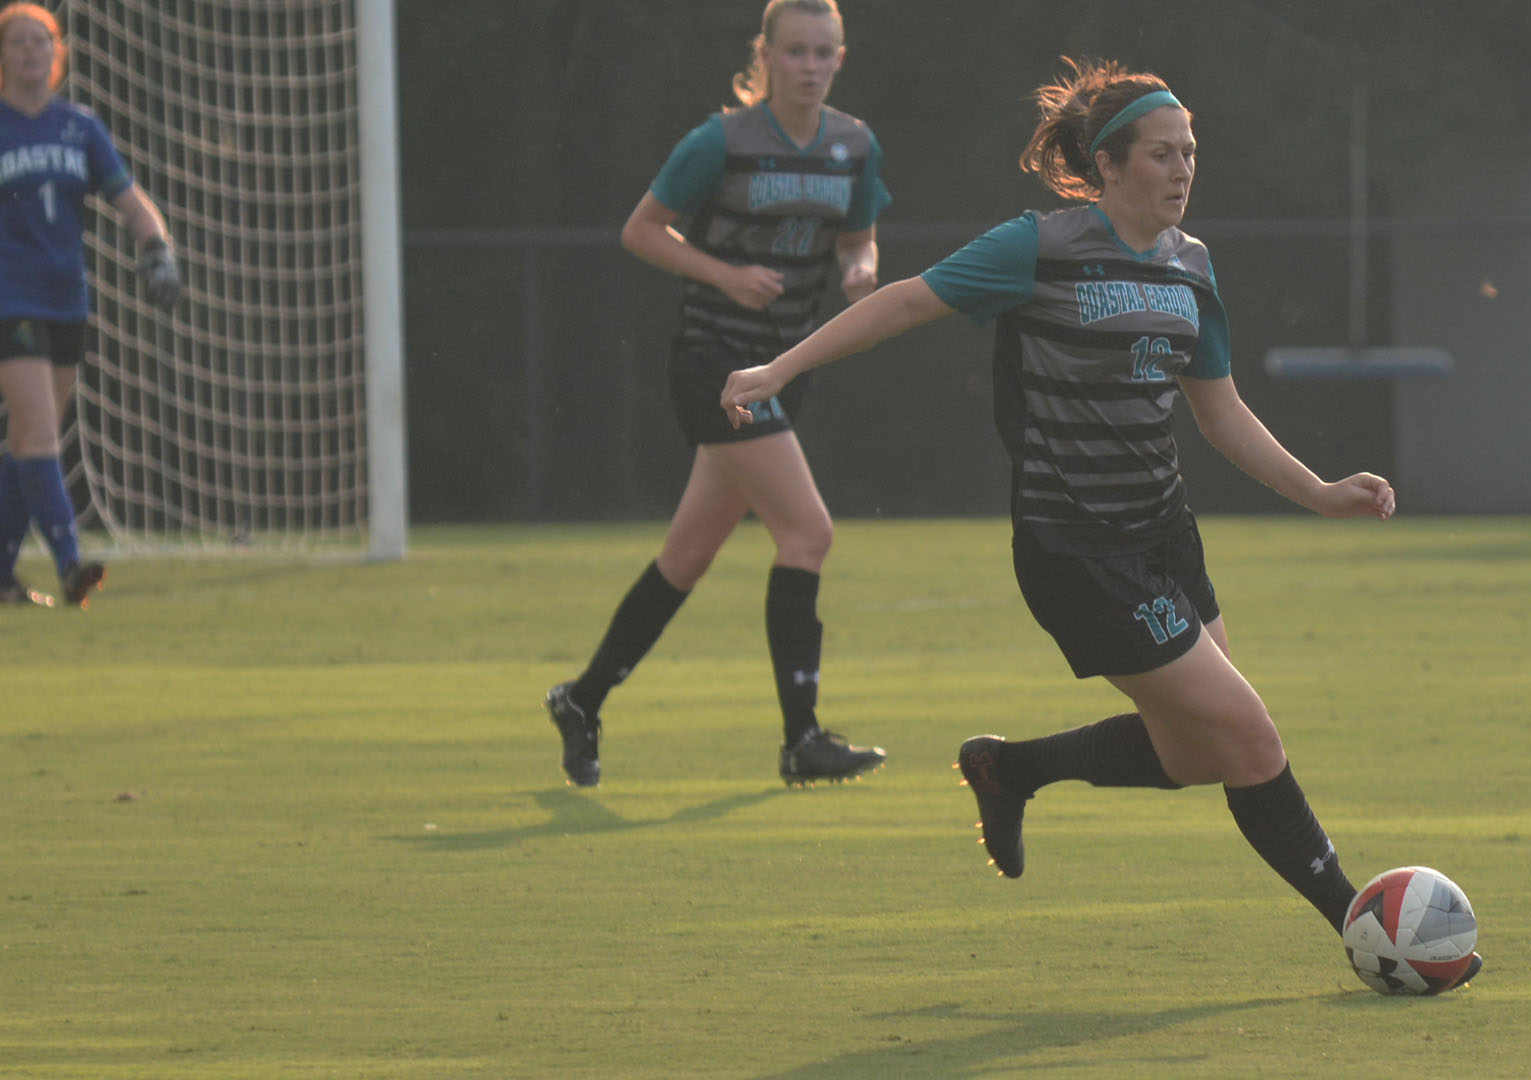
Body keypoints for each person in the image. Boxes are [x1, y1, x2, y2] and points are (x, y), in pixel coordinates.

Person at [723, 58, 1481, 989]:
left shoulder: (1192, 266)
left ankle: (1008, 770)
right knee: (1248, 736)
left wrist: (1319, 491)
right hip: (1074, 551)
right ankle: (1371, 936)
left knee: (1198, 753)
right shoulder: (1039, 247)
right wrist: (777, 370)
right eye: (1161, 154)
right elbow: (908, 300)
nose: (1182, 168)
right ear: (1109, 165)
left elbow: (1220, 412)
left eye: (1190, 151)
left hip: (1163, 535)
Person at [544, 0, 891, 789]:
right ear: (764, 55)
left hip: (783, 368)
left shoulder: (852, 143)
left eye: (822, 52)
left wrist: (860, 268)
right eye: (794, 51)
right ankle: (802, 740)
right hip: (714, 365)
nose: (809, 65)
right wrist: (726, 274)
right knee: (808, 534)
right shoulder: (722, 141)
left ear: (840, 57)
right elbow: (642, 229)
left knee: (687, 557)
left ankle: (581, 699)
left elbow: (858, 232)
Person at [0, 2, 179, 610]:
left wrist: (157, 248)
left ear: (58, 53)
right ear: (2, 56)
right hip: (10, 301)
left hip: (66, 302)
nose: (31, 52)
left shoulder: (80, 127)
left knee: (30, 440)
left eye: (41, 41)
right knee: (41, 432)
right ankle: (71, 563)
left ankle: (0, 575)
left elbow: (131, 202)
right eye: (19, 42)